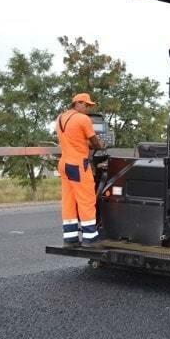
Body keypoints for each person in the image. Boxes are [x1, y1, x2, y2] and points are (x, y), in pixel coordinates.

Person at [56, 93, 105, 248]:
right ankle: (90, 238)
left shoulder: (60, 118)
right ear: (79, 103)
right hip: (78, 164)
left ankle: (70, 239)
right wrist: (100, 146)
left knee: (68, 201)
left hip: (64, 163)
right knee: (86, 200)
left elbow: (73, 139)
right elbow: (95, 142)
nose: (88, 108)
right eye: (87, 105)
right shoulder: (83, 119)